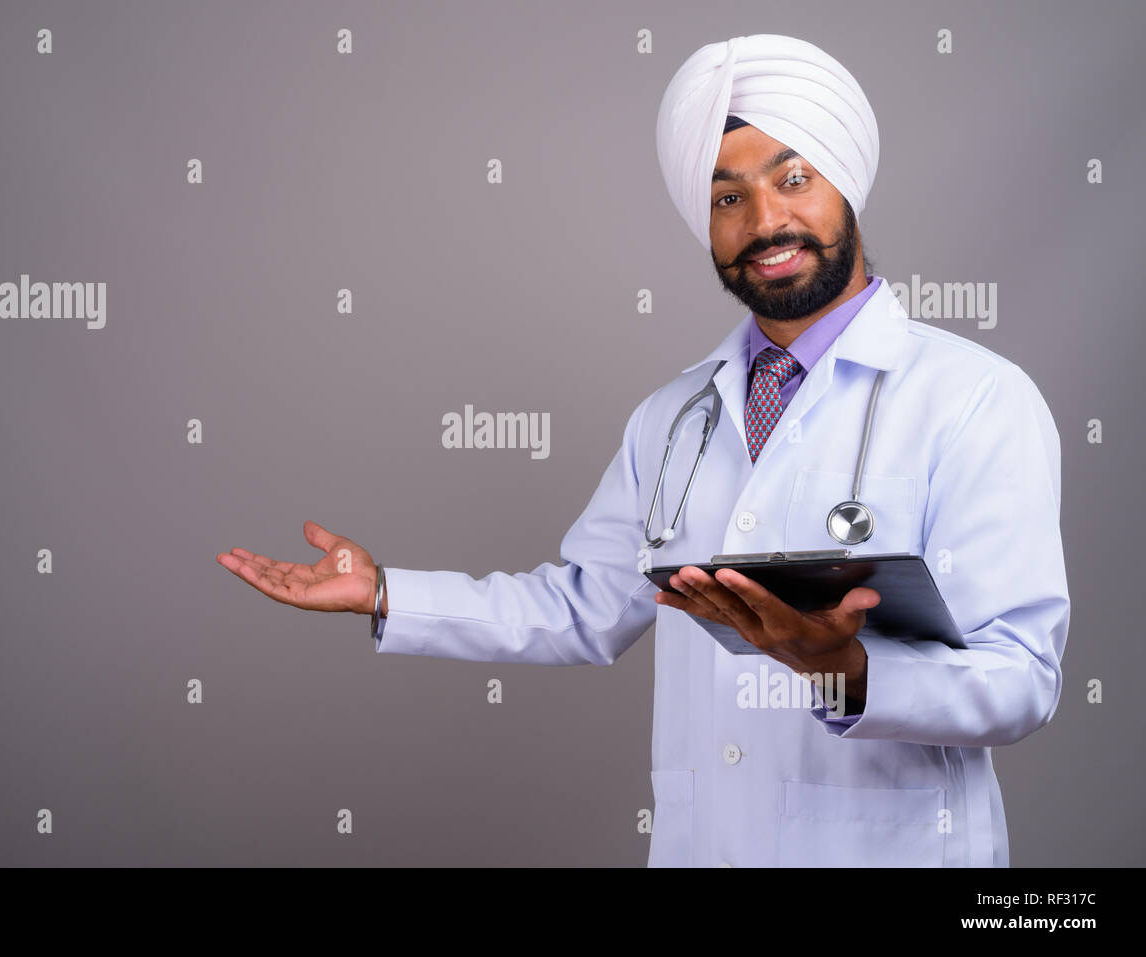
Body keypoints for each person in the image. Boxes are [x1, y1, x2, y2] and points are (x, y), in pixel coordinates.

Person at [217, 34, 1070, 867]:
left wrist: (845, 669)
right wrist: (384, 594)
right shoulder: (673, 417)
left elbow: (1022, 680)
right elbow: (583, 607)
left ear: (844, 181)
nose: (766, 219)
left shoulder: (976, 399)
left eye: (794, 178)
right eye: (725, 196)